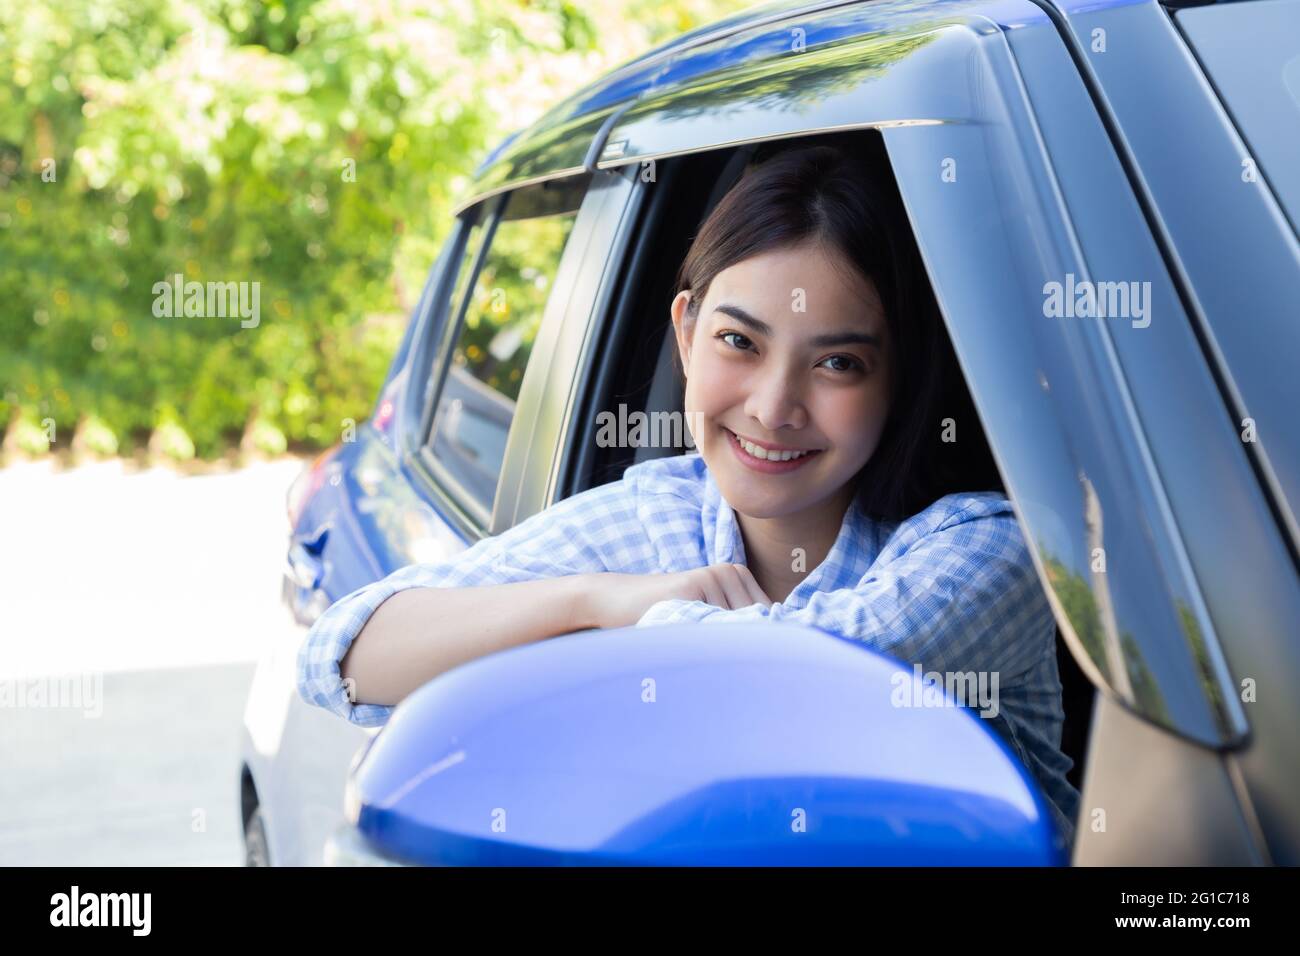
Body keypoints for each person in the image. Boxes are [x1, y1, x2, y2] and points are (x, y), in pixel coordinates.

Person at [297, 141, 1080, 846]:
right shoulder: (654, 522)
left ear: (897, 381)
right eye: (739, 342)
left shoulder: (990, 547)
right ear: (685, 332)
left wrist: (643, 630)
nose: (774, 406)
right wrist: (593, 604)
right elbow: (344, 656)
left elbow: (808, 678)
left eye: (837, 363)